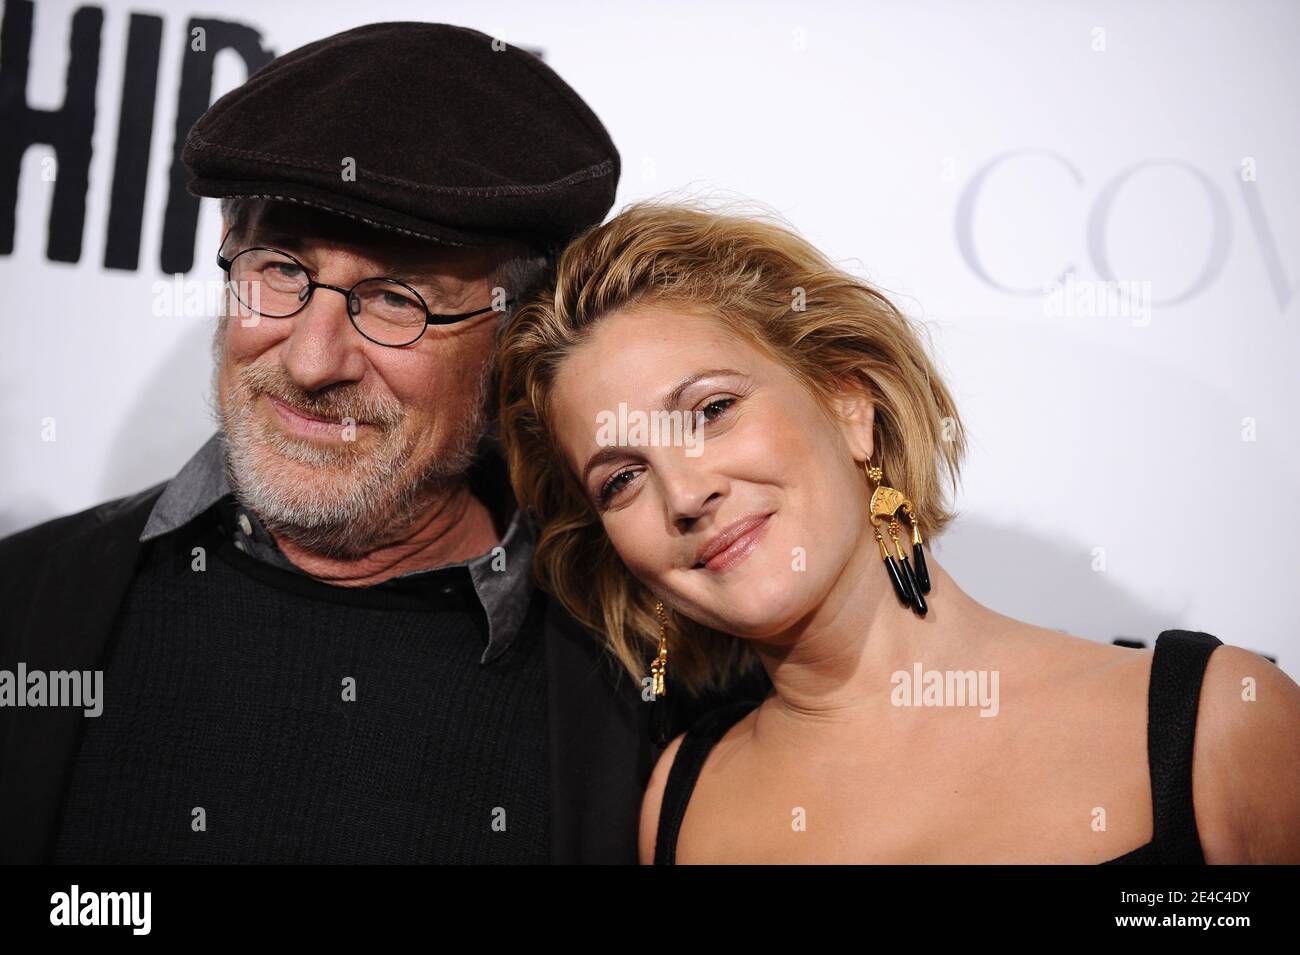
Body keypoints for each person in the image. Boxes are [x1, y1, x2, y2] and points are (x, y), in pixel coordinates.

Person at [0, 22, 757, 865]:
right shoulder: (26, 604)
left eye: (397, 299)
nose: (312, 359)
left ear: (513, 346)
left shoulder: (653, 689)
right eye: (280, 270)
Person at [496, 199, 1300, 864]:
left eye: (711, 410)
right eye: (622, 478)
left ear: (849, 403)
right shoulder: (678, 802)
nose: (685, 493)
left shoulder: (1214, 722)